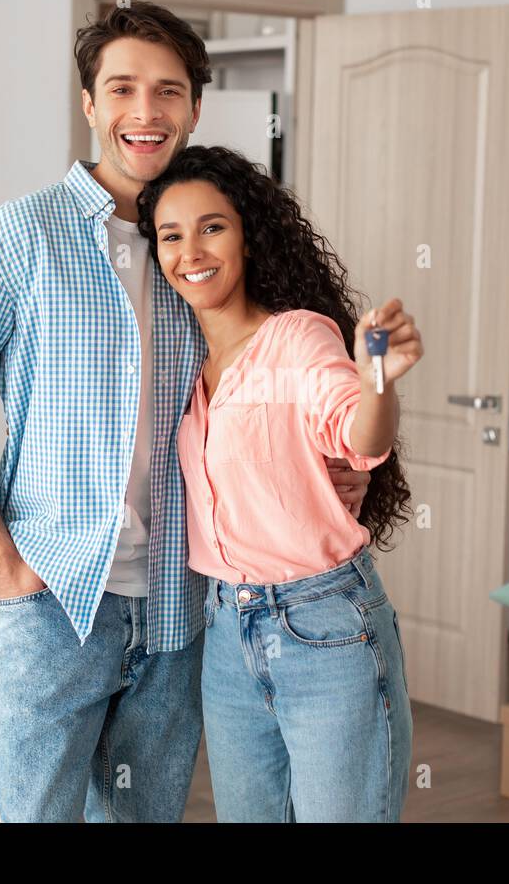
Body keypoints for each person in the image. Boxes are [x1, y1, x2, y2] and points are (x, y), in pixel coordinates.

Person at [0, 3, 370, 822]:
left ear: (194, 107)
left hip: (180, 608)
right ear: (90, 105)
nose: (145, 113)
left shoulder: (195, 251)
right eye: (122, 89)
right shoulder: (17, 238)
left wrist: (334, 473)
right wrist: (0, 563)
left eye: (168, 92)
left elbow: (271, 379)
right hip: (55, 607)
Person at [137, 145, 423, 822]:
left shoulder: (296, 339)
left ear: (248, 234)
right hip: (226, 631)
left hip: (323, 626)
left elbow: (359, 436)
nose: (190, 251)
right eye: (170, 236)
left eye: (211, 227)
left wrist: (377, 375)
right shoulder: (181, 358)